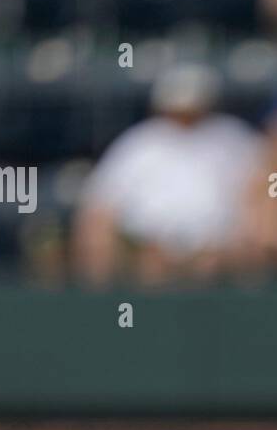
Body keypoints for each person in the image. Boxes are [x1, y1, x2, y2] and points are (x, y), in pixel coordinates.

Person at [72, 64, 261, 289]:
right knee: (146, 259)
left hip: (221, 245)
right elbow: (100, 203)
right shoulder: (139, 142)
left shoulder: (233, 138)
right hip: (149, 245)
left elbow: (262, 190)